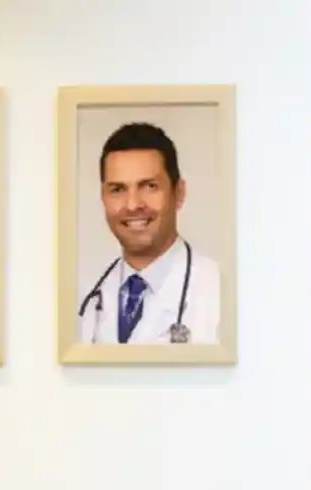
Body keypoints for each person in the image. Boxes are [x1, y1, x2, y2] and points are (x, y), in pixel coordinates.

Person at [78, 122, 220, 345]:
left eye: (149, 186)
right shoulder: (85, 299)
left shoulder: (220, 292)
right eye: (117, 189)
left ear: (179, 193)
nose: (133, 205)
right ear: (103, 197)